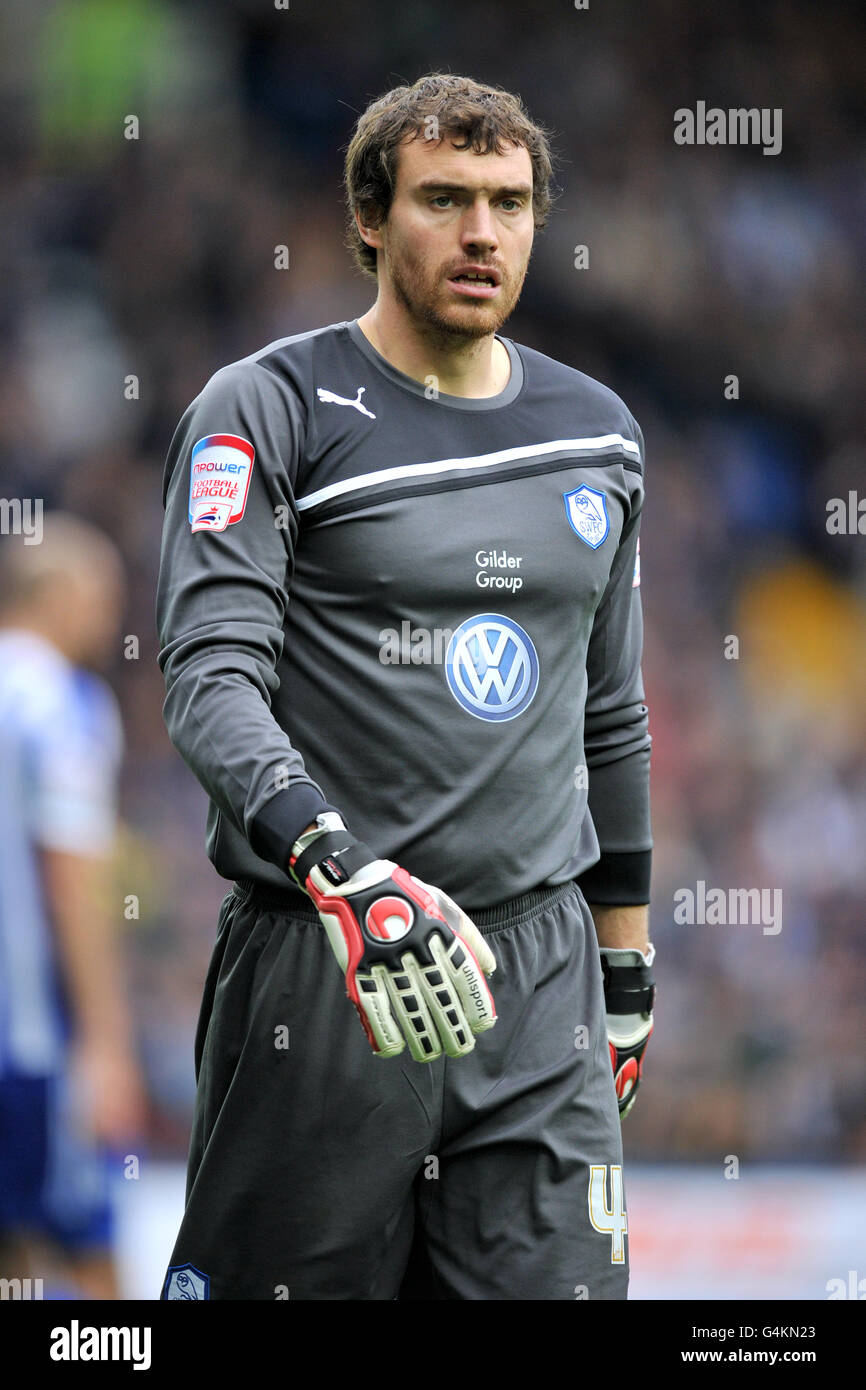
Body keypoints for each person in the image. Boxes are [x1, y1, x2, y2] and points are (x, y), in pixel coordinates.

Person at [156, 72, 655, 1302]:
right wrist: (338, 865)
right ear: (371, 219)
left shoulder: (595, 432)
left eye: (508, 201)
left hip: (537, 978)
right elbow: (210, 677)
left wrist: (625, 964)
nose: (481, 232)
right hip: (325, 962)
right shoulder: (267, 407)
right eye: (444, 199)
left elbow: (611, 717)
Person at [0, 513, 146, 1299]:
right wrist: (106, 1042)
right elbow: (72, 879)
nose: (113, 622)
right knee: (94, 1261)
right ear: (58, 595)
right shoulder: (59, 704)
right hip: (31, 1044)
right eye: (104, 599)